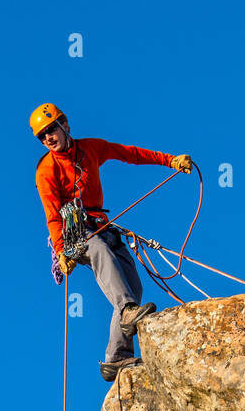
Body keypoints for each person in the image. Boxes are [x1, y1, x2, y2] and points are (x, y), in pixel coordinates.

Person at [30, 102, 192, 383]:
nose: (48, 138)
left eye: (51, 129)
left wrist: (170, 160)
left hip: (102, 226)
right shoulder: (46, 171)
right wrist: (60, 251)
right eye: (42, 136)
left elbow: (129, 154)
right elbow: (53, 216)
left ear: (65, 124)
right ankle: (128, 313)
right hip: (76, 235)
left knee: (132, 284)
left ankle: (116, 357)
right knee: (101, 253)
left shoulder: (91, 148)